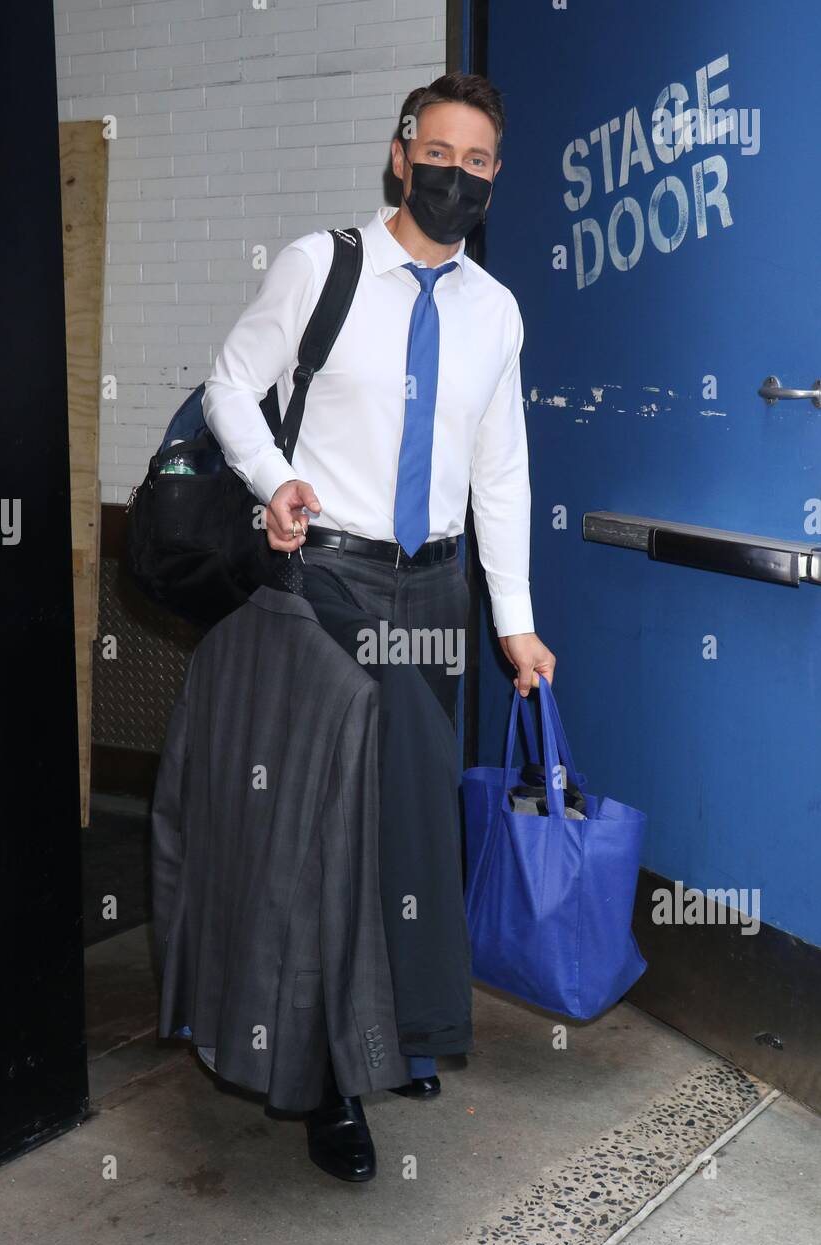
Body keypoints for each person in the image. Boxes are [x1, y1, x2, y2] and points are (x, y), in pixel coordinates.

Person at [201, 71, 556, 1182]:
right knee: (322, 839)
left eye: (481, 161)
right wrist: (272, 478)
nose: (457, 175)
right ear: (401, 155)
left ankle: (394, 1031)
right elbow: (228, 386)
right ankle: (324, 1083)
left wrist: (516, 619)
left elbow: (501, 471)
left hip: (435, 593)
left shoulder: (496, 312)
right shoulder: (324, 267)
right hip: (331, 583)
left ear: (497, 177)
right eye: (439, 153)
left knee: (407, 821)